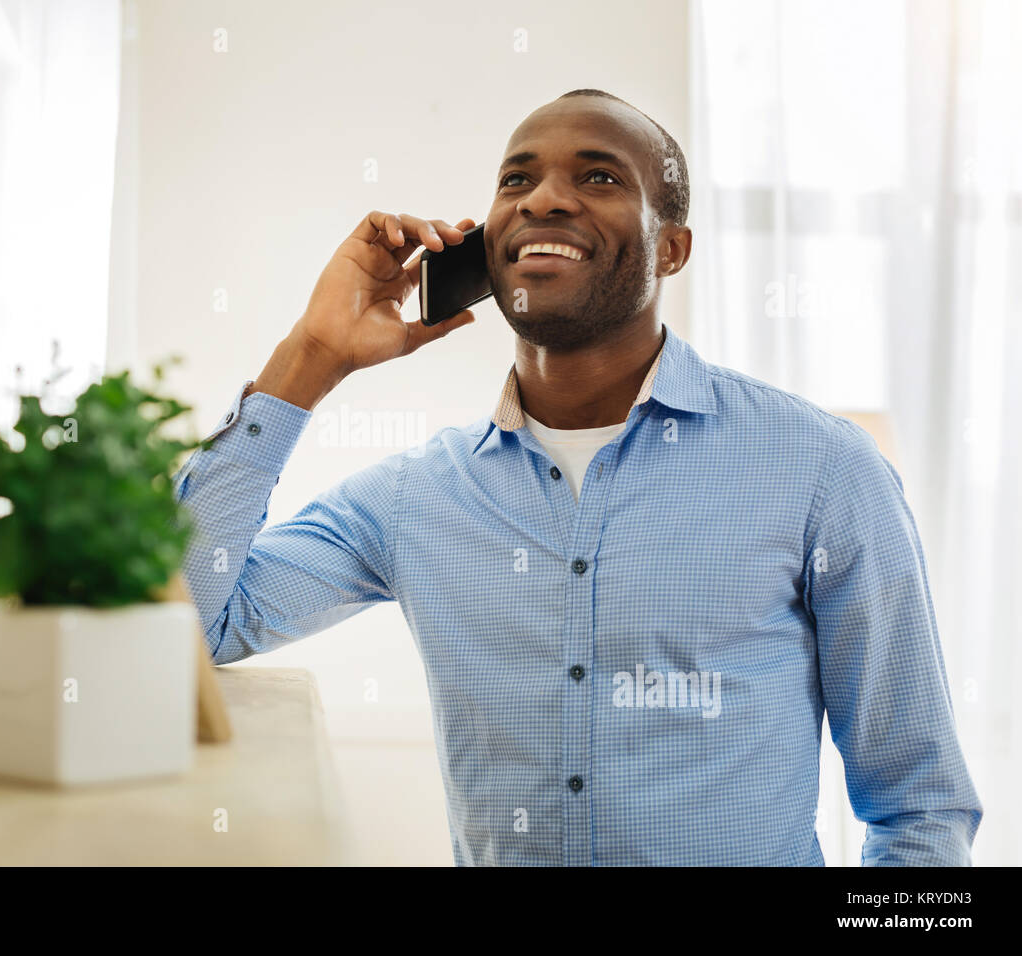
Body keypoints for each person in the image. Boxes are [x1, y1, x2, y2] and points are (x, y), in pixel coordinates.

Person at [172, 89, 982, 866]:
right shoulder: (412, 500)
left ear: (672, 247)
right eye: (516, 180)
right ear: (482, 248)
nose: (543, 200)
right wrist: (310, 360)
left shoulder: (823, 471)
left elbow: (919, 804)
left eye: (597, 176)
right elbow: (193, 624)